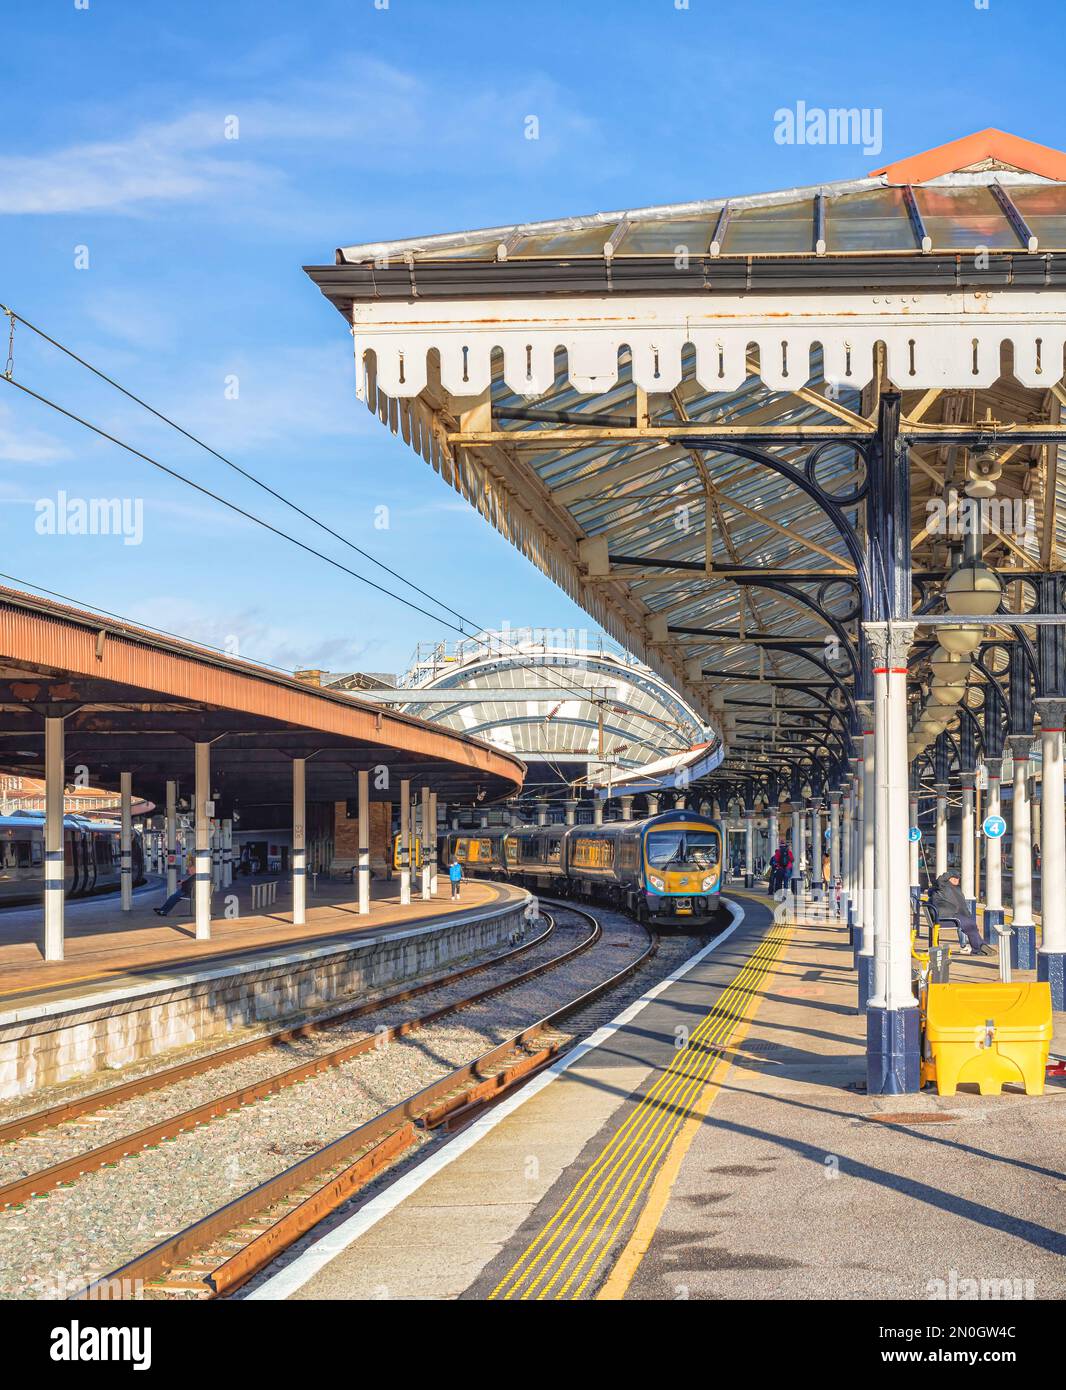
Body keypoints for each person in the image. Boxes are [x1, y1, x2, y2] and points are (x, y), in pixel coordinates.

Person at [929, 870, 990, 955]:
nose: (956, 879)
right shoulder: (943, 886)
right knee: (969, 924)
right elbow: (940, 879)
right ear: (948, 879)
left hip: (950, 916)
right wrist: (951, 873)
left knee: (971, 924)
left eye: (958, 878)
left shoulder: (955, 889)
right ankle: (978, 947)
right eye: (953, 878)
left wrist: (968, 915)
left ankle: (979, 946)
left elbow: (962, 906)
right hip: (944, 918)